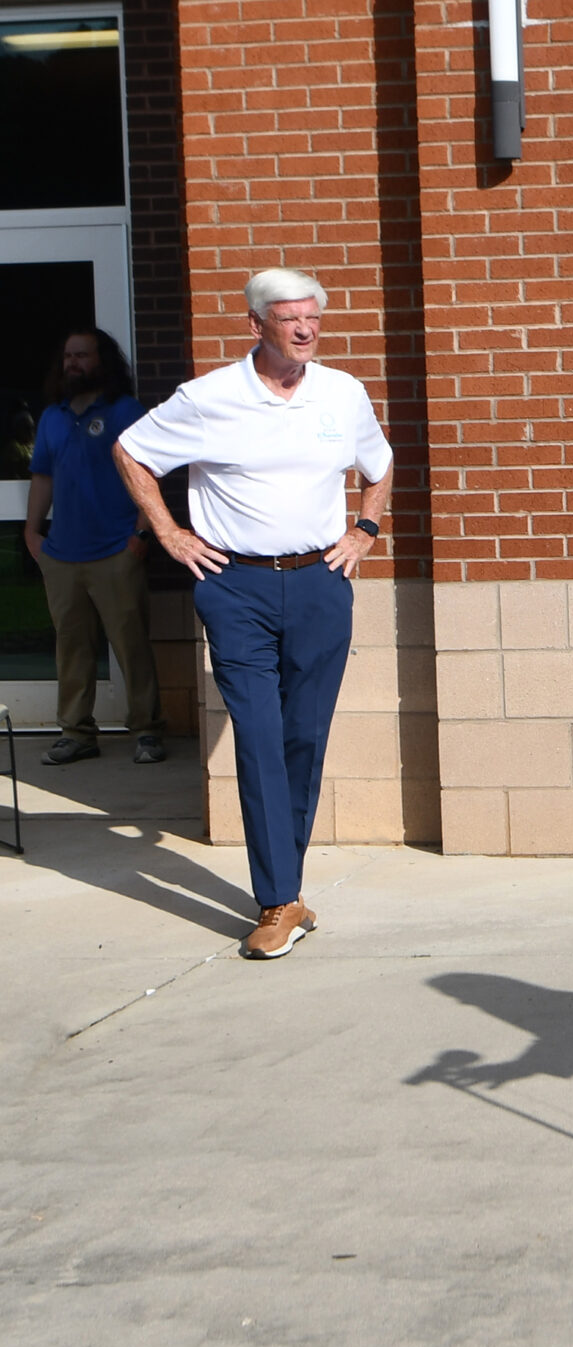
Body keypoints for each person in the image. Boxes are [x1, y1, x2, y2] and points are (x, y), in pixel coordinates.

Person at [113, 269, 393, 961]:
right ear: (255, 325)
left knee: (304, 738)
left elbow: (380, 465)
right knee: (260, 738)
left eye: (314, 320)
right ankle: (275, 901)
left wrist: (364, 530)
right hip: (235, 588)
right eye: (290, 319)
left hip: (321, 585)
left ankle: (288, 890)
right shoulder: (208, 400)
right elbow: (130, 451)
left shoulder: (342, 393)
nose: (305, 330)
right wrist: (171, 533)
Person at [24, 328, 167, 766]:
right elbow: (42, 477)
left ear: (102, 361)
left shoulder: (126, 412)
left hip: (116, 551)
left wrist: (142, 534)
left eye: (82, 355)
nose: (73, 363)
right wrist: (32, 532)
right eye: (68, 356)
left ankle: (146, 731)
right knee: (72, 649)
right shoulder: (51, 417)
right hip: (63, 555)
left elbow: (149, 471)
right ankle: (76, 733)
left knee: (131, 646)